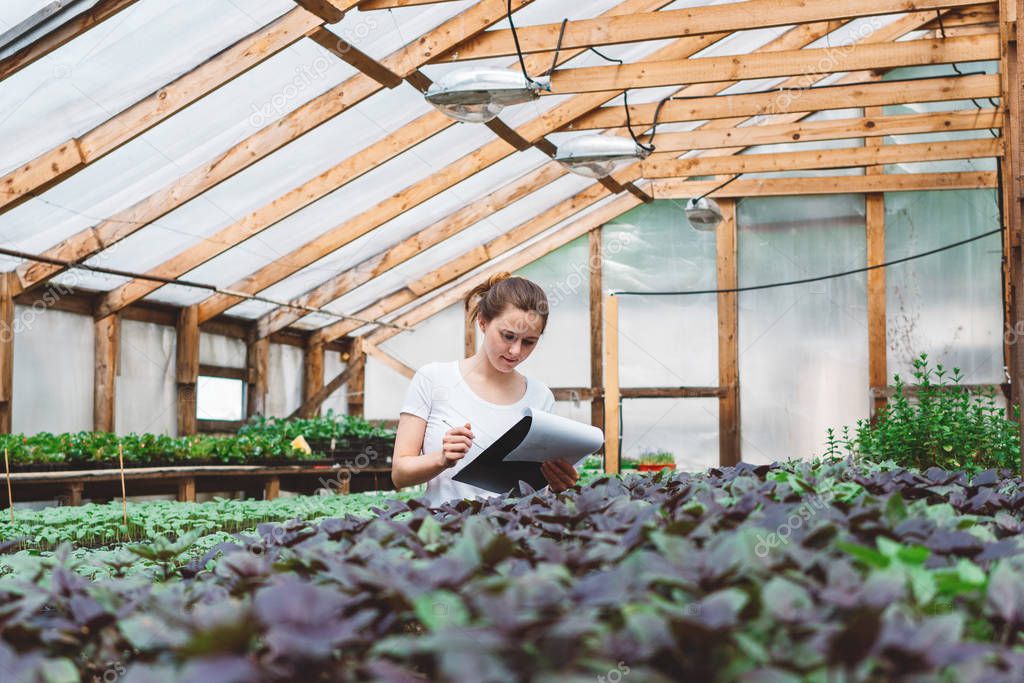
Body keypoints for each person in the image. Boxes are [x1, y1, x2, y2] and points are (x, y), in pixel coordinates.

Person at [391, 272, 579, 507]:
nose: (515, 351)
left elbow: (538, 489)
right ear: (482, 321)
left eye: (529, 341)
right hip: (445, 532)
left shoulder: (541, 397)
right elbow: (399, 474)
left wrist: (557, 484)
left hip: (515, 533)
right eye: (508, 336)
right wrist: (441, 459)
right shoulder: (433, 379)